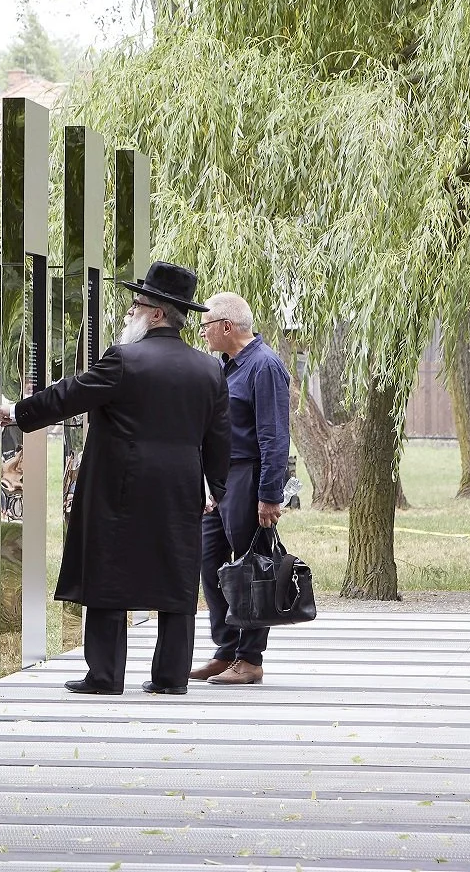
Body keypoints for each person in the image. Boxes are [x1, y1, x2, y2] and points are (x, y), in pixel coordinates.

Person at [0, 261, 229, 696]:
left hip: (121, 486)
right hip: (179, 487)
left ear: (156, 314)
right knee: (176, 576)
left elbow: (68, 395)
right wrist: (216, 489)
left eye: (135, 305)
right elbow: (219, 439)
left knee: (108, 571)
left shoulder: (124, 360)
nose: (127, 313)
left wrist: (18, 412)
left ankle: (104, 675)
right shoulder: (209, 369)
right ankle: (171, 677)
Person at [193, 290, 292, 687]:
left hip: (248, 477)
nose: (201, 333)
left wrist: (269, 495)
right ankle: (226, 650)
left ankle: (250, 659)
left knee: (251, 568)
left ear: (226, 327)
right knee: (210, 561)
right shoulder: (227, 365)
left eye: (206, 326)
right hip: (220, 482)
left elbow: (274, 436)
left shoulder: (264, 367)